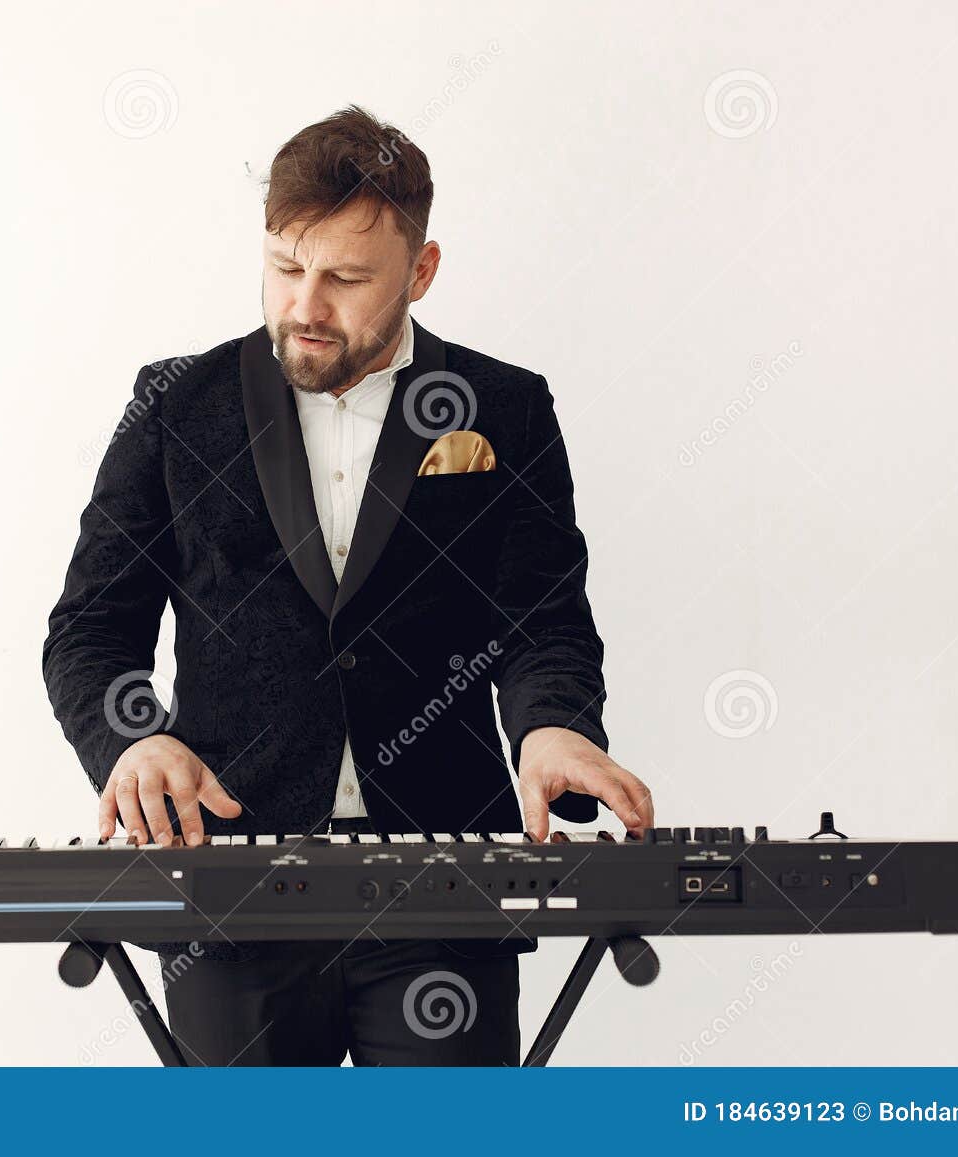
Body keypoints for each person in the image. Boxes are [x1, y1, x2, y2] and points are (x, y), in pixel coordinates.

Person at [43, 104, 653, 1065]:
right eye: (286, 268)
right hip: (227, 886)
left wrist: (551, 724)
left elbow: (541, 620)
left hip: (449, 881)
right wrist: (132, 739)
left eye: (344, 277)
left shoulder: (508, 409)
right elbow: (90, 629)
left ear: (421, 271)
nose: (304, 305)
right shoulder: (173, 404)